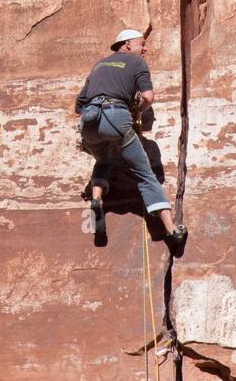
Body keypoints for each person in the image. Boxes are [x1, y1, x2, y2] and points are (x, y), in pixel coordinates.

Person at [75, 29, 188, 255]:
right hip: (115, 116)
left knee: (103, 159)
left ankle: (97, 198)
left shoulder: (99, 65)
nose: (144, 48)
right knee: (145, 173)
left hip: (89, 122)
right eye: (141, 43)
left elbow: (79, 105)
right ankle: (172, 229)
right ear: (127, 45)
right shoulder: (136, 63)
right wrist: (136, 110)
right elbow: (148, 97)